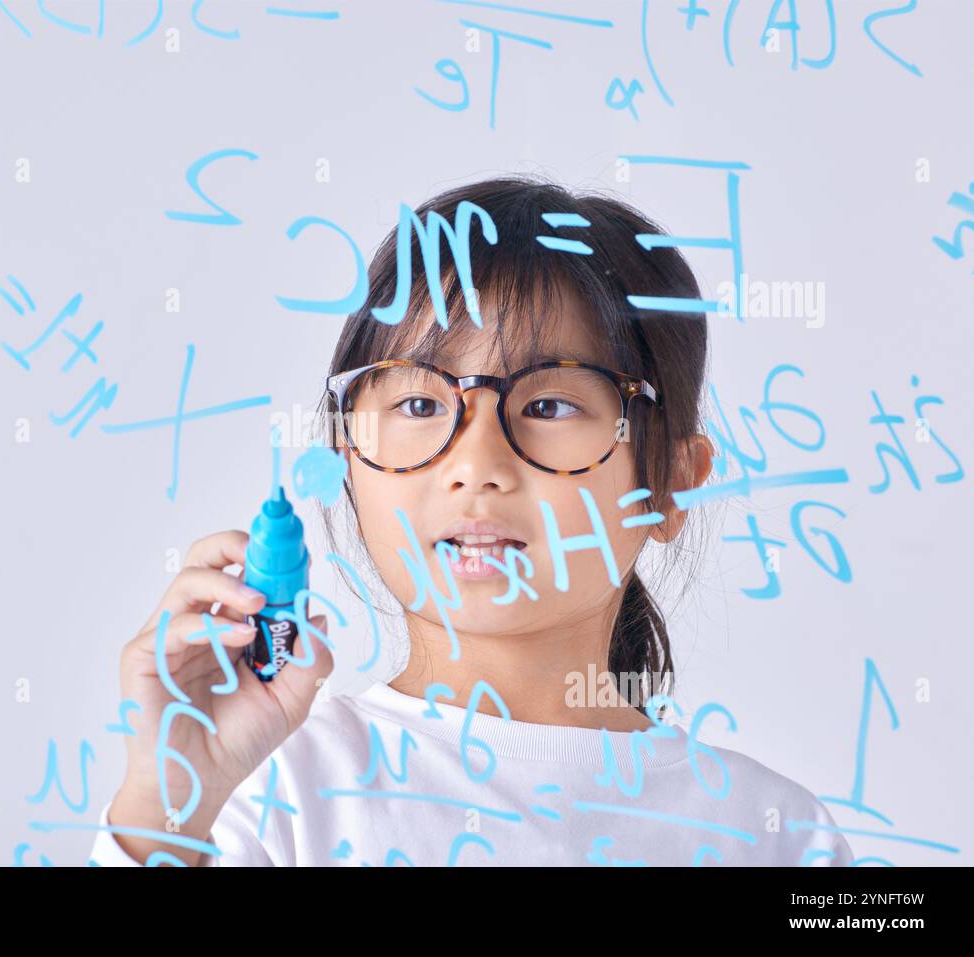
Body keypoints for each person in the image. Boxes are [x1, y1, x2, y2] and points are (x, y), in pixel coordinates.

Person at [89, 175, 855, 867]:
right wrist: (165, 811)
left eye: (551, 404)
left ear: (667, 486)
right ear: (348, 459)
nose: (477, 461)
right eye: (420, 404)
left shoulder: (778, 834)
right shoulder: (263, 792)